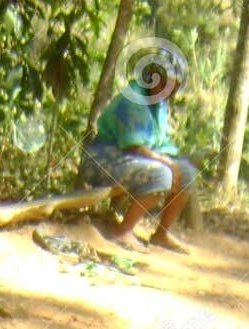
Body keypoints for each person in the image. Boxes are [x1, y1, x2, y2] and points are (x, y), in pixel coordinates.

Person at [80, 50, 196, 252]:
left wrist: (174, 162)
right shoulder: (133, 99)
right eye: (165, 84)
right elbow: (134, 145)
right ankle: (122, 232)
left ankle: (161, 234)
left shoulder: (158, 103)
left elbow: (159, 143)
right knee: (162, 174)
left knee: (187, 172)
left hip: (129, 159)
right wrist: (168, 163)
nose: (170, 92)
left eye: (173, 87)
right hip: (103, 159)